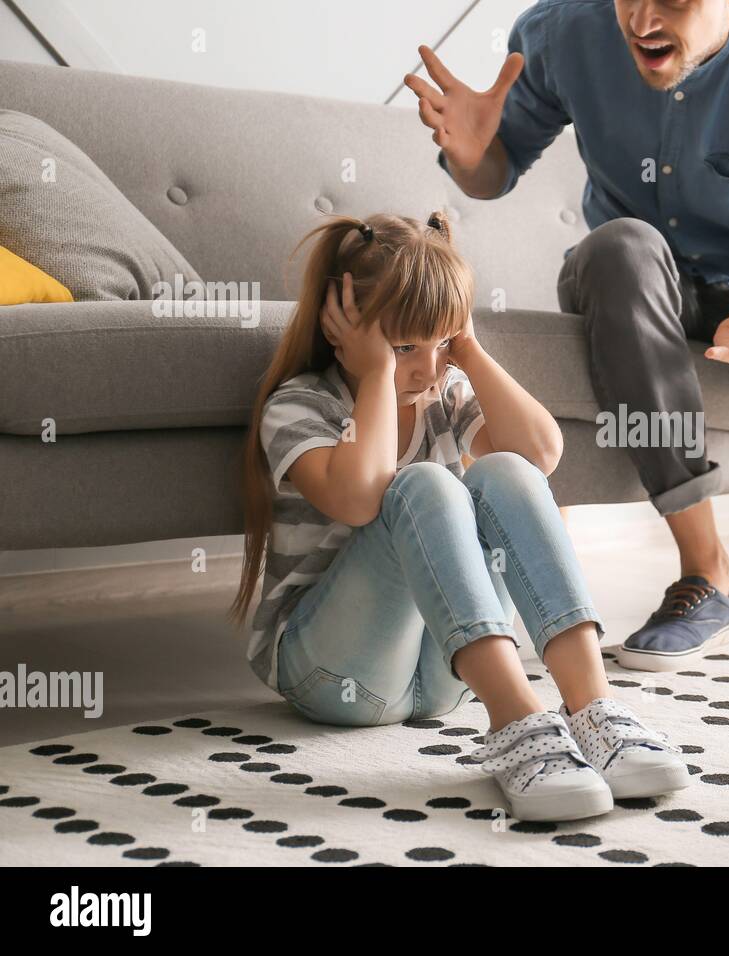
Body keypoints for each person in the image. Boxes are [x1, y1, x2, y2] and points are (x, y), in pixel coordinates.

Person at [405, 0, 729, 672]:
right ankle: (708, 573)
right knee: (621, 247)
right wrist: (474, 159)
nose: (642, 19)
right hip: (631, 280)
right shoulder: (566, 29)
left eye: (673, 0)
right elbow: (493, 168)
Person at [229, 211, 688, 821]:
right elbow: (360, 498)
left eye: (441, 342)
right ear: (344, 330)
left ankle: (594, 710)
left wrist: (466, 349)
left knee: (507, 469)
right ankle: (518, 722)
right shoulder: (299, 406)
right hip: (331, 672)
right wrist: (376, 377)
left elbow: (543, 454)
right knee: (426, 484)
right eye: (403, 348)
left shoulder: (445, 389)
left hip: (443, 674)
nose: (425, 367)